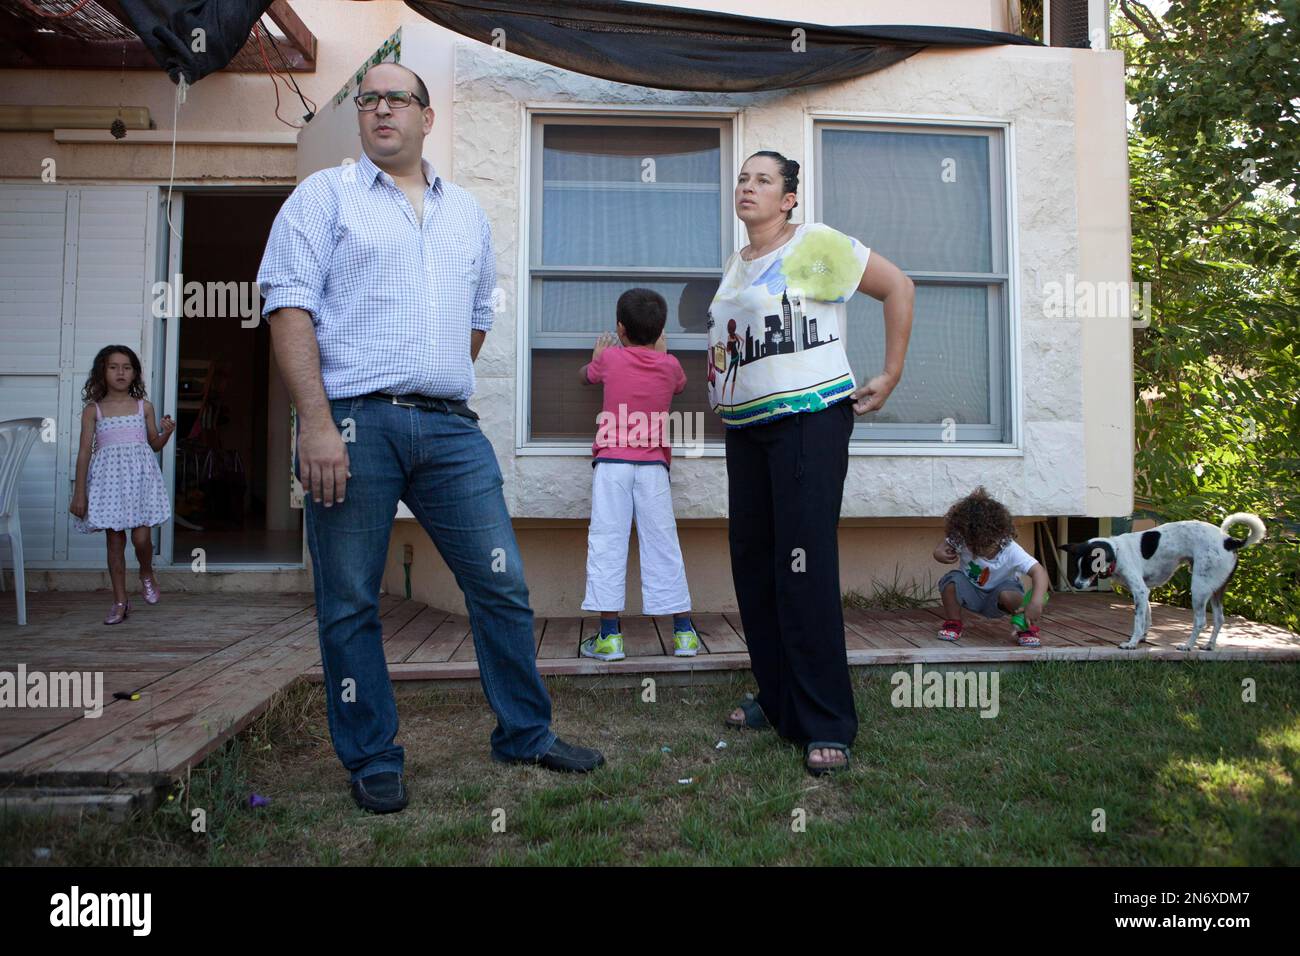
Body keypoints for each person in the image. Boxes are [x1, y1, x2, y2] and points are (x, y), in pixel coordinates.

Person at [256, 61, 603, 815]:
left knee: (501, 582)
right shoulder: (325, 196)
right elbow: (288, 308)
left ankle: (526, 733)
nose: (382, 110)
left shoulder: (466, 214)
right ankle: (372, 755)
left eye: (398, 99)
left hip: (449, 428)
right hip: (351, 421)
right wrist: (315, 422)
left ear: (425, 116)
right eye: (368, 99)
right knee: (349, 597)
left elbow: (476, 319)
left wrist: (429, 378)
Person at [711, 150, 915, 776]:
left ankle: (826, 720)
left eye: (763, 180)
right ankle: (777, 702)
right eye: (743, 178)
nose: (748, 187)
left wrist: (891, 372)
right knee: (755, 565)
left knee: (802, 567)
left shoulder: (811, 247)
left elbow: (897, 286)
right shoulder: (737, 263)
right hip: (747, 430)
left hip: (809, 420)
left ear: (789, 198)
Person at [578, 288, 697, 661]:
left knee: (607, 541)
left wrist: (595, 358)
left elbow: (586, 376)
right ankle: (683, 634)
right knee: (663, 542)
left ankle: (610, 637)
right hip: (652, 470)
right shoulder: (671, 365)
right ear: (661, 330)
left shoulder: (610, 360)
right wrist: (660, 355)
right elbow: (679, 385)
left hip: (612, 465)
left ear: (620, 328)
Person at [69, 345, 175, 625]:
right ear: (102, 372)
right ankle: (119, 601)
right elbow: (84, 452)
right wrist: (79, 492)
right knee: (115, 542)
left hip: (140, 480)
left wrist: (166, 433)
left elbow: (154, 445)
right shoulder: (94, 410)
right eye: (113, 367)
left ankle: (146, 571)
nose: (120, 372)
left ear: (135, 373)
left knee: (142, 539)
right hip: (109, 483)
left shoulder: (144, 407)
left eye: (126, 367)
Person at [933, 486, 1050, 647]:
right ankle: (953, 623)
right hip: (972, 592)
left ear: (1000, 534)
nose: (976, 549)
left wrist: (1035, 602)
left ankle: (1026, 628)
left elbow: (1039, 572)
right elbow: (943, 546)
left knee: (1009, 594)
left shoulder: (1010, 549)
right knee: (951, 580)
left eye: (984, 545)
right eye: (972, 545)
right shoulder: (964, 537)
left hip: (1000, 596)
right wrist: (939, 553)